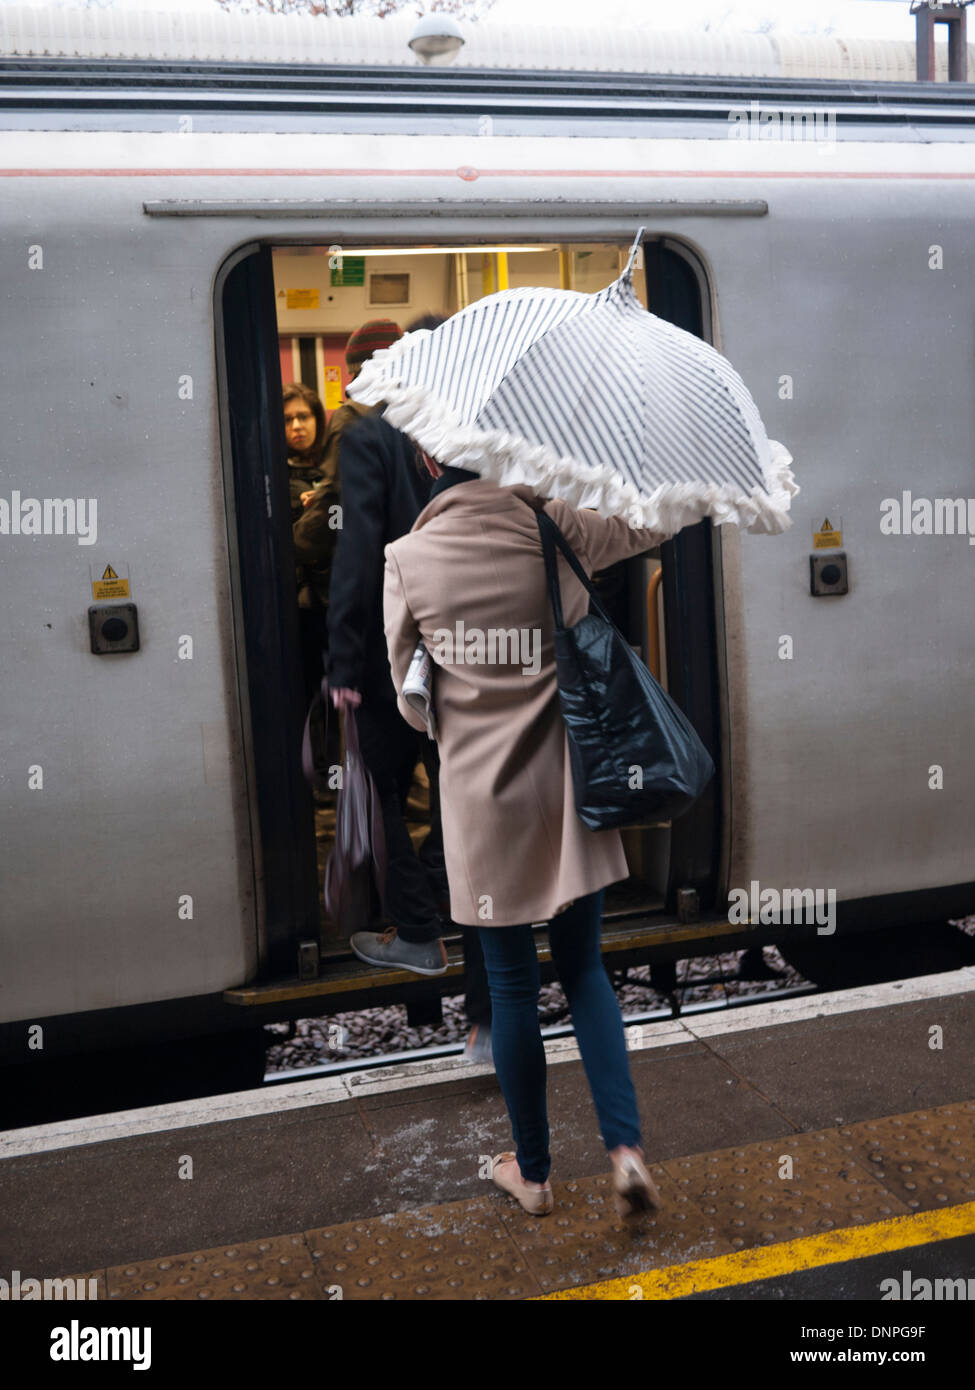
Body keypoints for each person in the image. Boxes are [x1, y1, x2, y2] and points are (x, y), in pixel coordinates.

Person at [382, 455, 667, 1219]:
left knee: (509, 986)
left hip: (481, 805)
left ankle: (534, 1176)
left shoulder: (407, 561)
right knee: (585, 973)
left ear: (429, 458)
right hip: (568, 788)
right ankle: (626, 1150)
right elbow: (649, 520)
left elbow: (411, 706)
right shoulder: (550, 524)